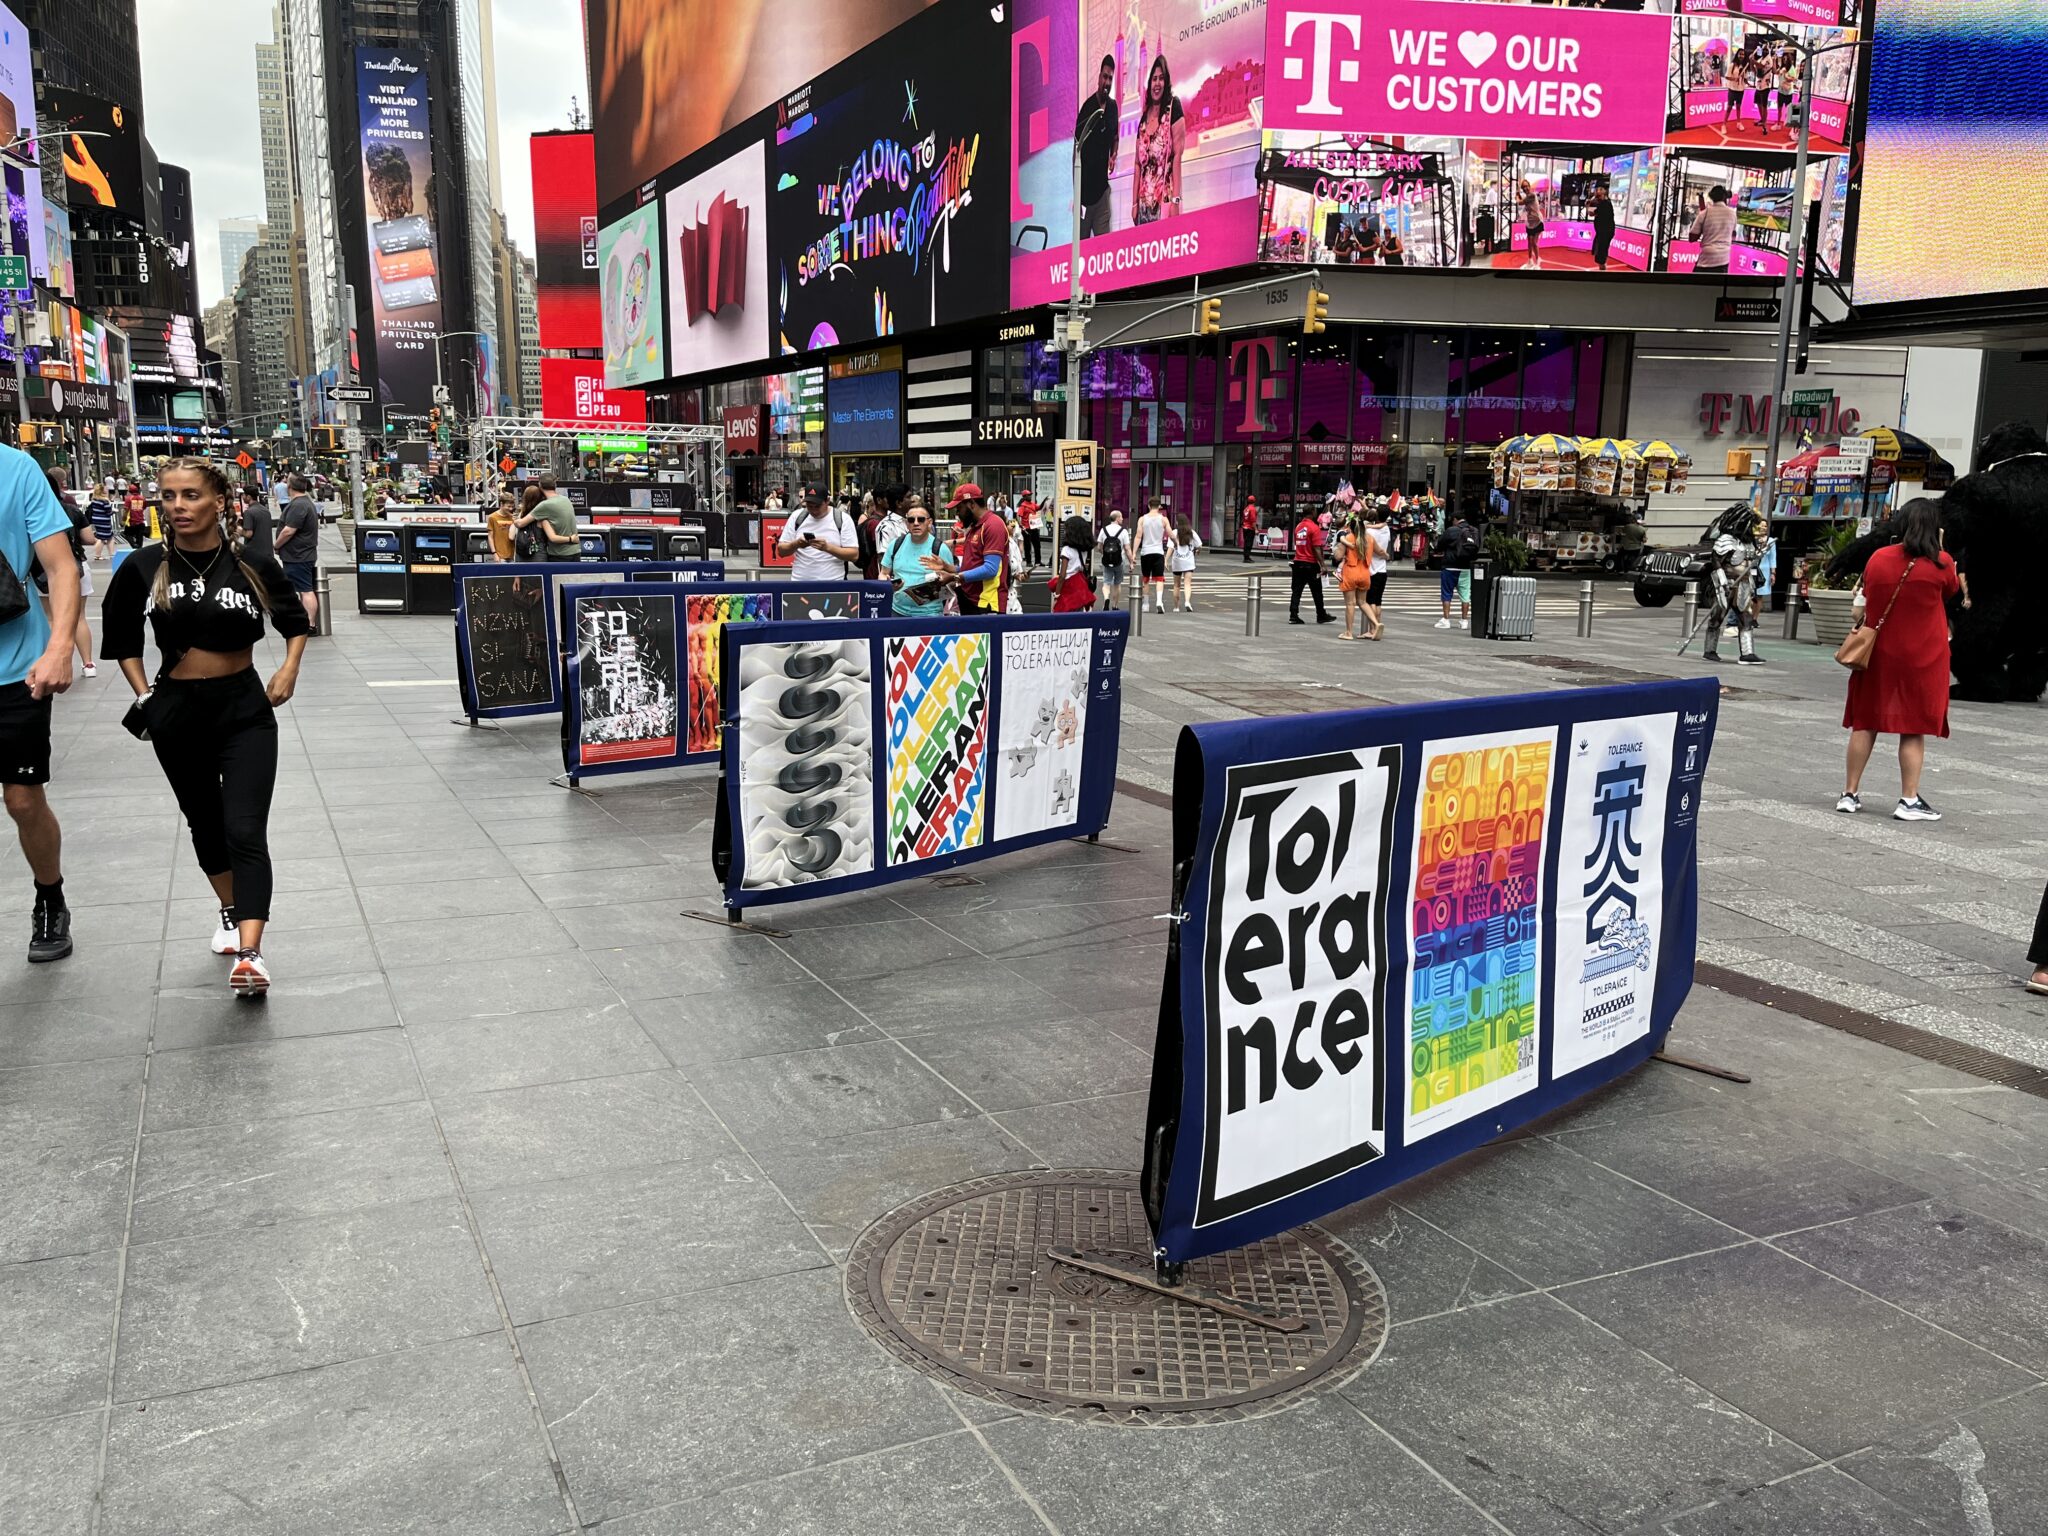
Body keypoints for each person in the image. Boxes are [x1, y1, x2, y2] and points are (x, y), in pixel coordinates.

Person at [102, 458, 308, 995]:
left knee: (244, 827)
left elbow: (293, 620)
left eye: (190, 495)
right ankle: (229, 909)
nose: (177, 506)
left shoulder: (254, 564)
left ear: (218, 501)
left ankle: (251, 951)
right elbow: (121, 639)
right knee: (204, 823)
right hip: (177, 711)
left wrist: (288, 667)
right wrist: (145, 695)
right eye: (168, 496)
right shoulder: (144, 566)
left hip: (244, 710)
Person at [4, 448, 80, 961]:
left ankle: (49, 897)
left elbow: (60, 566)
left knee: (23, 800)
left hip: (15, 668)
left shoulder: (16, 468)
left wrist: (58, 647)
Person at [1838, 499, 1958, 822]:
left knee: (1865, 722)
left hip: (1878, 655)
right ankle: (1908, 799)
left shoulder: (1878, 558)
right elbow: (1951, 590)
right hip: (1923, 658)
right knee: (1913, 726)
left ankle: (1849, 794)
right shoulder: (1942, 563)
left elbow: (1862, 599)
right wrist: (1941, 548)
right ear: (1935, 528)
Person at [1699, 504, 1767, 666]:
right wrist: (1722, 582)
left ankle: (1747, 653)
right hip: (1726, 584)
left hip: (1743, 585)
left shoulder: (1749, 542)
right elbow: (1716, 563)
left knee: (1746, 619)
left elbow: (1749, 563)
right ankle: (1709, 650)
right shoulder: (1725, 540)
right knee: (1717, 618)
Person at [930, 483, 1010, 615]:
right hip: (971, 599)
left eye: (959, 508)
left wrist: (954, 577)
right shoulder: (974, 527)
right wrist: (946, 566)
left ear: (972, 504)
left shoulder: (993, 525)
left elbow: (990, 569)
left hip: (986, 604)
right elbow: (972, 565)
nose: (957, 514)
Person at [1131, 54, 1185, 227]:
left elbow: (1177, 158)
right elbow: (1137, 165)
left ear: (1166, 82)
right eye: (1154, 79)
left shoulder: (1173, 108)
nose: (1157, 83)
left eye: (1161, 79)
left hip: (1164, 203)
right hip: (1143, 208)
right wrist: (1134, 204)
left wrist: (1176, 201)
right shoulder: (1143, 119)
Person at [777, 487, 860, 580]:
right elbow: (781, 551)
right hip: (800, 583)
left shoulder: (842, 519)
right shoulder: (797, 516)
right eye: (809, 506)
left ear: (827, 501)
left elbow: (854, 555)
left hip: (833, 584)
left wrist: (827, 547)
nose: (813, 510)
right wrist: (796, 544)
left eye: (817, 506)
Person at [1078, 54, 1118, 238]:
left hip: (1102, 195)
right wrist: (1077, 195)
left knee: (1104, 248)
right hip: (1084, 199)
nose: (1107, 82)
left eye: (1110, 78)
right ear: (1099, 76)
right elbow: (1076, 153)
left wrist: (1113, 155)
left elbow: (1115, 136)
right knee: (1082, 255)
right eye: (1105, 76)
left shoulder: (1113, 107)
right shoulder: (1087, 109)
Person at [274, 474, 322, 628]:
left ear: (290, 487)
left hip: (298, 555)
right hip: (299, 554)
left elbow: (288, 531)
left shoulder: (299, 505)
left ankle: (309, 624)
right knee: (302, 589)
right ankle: (306, 621)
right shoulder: (303, 503)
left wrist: (277, 545)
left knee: (305, 590)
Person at [882, 500, 946, 616]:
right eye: (911, 520)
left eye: (921, 519)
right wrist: (887, 584)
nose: (916, 523)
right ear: (907, 524)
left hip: (930, 615)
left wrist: (936, 586)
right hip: (898, 612)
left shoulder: (940, 548)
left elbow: (951, 582)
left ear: (929, 522)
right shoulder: (896, 544)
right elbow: (883, 573)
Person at [519, 472, 582, 562]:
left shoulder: (545, 505)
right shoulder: (566, 500)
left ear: (540, 485)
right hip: (575, 551)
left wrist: (515, 517)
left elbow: (520, 523)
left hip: (560, 555)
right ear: (555, 485)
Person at [1289, 504, 1335, 625]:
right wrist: (1323, 565)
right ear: (1312, 512)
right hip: (1310, 564)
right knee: (1317, 591)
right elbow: (1316, 549)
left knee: (1296, 591)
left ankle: (1293, 615)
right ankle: (1321, 614)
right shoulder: (1314, 528)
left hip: (1298, 562)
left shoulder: (1298, 527)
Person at [1436, 511, 1478, 629]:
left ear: (1455, 519)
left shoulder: (1451, 530)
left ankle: (1446, 619)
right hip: (1466, 567)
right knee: (1465, 595)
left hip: (1450, 565)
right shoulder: (1473, 531)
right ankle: (1464, 621)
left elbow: (1440, 545)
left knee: (1447, 593)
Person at [1336, 507, 1371, 639]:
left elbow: (1338, 555)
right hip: (1365, 573)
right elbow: (1381, 552)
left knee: (1350, 604)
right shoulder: (1367, 539)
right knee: (1363, 602)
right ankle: (1375, 624)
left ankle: (1349, 632)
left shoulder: (1346, 537)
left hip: (1350, 572)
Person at [1132, 497, 1173, 613]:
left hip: (1146, 552)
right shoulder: (1164, 519)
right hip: (1158, 552)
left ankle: (1145, 604)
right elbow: (1170, 533)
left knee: (1145, 579)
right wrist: (1176, 542)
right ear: (1159, 506)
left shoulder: (1142, 519)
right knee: (1159, 578)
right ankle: (1159, 601)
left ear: (1149, 505)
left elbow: (1138, 536)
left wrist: (1134, 552)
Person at [1688, 186, 1736, 275]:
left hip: (1707, 258)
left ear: (1711, 197)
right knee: (1718, 287)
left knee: (1696, 286)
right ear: (1725, 197)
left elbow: (1692, 237)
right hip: (1724, 258)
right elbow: (1733, 234)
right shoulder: (1733, 214)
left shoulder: (1705, 213)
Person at [1053, 514, 1096, 613]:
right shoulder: (1084, 550)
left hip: (1068, 587)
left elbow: (1062, 575)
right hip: (1080, 585)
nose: (1065, 531)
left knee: (1061, 616)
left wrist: (1057, 595)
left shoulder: (1066, 550)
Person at [1363, 502, 1391, 640]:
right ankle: (1377, 625)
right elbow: (1382, 525)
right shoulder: (1386, 529)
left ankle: (1372, 628)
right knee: (1378, 601)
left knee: (1370, 601)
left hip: (1371, 570)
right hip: (1382, 570)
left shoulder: (1369, 532)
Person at [1168, 514, 1201, 611]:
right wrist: (1198, 550)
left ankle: (1176, 607)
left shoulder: (1174, 532)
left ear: (1177, 522)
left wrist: (1166, 560)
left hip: (1177, 562)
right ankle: (1187, 602)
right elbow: (1199, 544)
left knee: (1176, 585)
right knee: (1187, 583)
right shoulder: (1191, 532)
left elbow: (1170, 548)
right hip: (1188, 562)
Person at [1098, 508, 1127, 610]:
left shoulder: (1103, 530)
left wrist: (1105, 554)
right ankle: (1115, 605)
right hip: (1119, 561)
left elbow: (1099, 547)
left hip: (1106, 560)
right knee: (1117, 583)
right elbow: (1127, 548)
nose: (1122, 519)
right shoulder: (1123, 531)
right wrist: (1131, 561)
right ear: (1117, 518)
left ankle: (1106, 598)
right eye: (1121, 517)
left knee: (1106, 582)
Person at [238, 484, 275, 564]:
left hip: (254, 555)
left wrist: (239, 530)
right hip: (268, 554)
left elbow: (248, 534)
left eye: (244, 495)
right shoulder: (266, 511)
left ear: (249, 497)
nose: (242, 497)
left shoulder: (249, 512)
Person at [487, 487, 518, 561]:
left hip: (513, 555)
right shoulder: (492, 517)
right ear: (501, 504)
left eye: (512, 507)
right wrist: (494, 553)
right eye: (508, 506)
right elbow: (490, 537)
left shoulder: (513, 517)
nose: (510, 509)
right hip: (500, 556)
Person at [1519, 179, 1545, 270]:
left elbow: (1520, 202)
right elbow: (1522, 202)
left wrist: (1516, 195)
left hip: (1537, 221)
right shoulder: (1526, 197)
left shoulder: (1532, 195)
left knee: (1534, 242)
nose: (1525, 188)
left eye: (1527, 186)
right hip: (1530, 222)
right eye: (1523, 187)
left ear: (1529, 186)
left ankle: (1537, 262)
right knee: (1529, 242)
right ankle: (1530, 261)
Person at [87, 481, 116, 559]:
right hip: (104, 521)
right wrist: (114, 511)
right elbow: (108, 512)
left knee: (108, 536)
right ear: (102, 491)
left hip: (96, 519)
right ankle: (98, 555)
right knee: (103, 538)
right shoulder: (105, 501)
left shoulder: (94, 500)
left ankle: (111, 554)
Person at [1591, 184, 1616, 271]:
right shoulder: (1601, 202)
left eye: (1601, 189)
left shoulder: (1606, 203)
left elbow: (1593, 213)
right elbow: (1591, 213)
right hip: (1601, 232)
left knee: (1601, 254)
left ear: (1605, 191)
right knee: (1599, 253)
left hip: (1605, 232)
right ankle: (1602, 268)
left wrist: (1592, 204)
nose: (1598, 191)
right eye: (1597, 189)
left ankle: (1603, 271)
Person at [120, 480, 149, 549]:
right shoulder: (143, 498)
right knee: (140, 537)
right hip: (140, 521)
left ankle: (134, 545)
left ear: (129, 491)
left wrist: (123, 520)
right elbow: (144, 507)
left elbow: (126, 511)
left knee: (126, 534)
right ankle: (138, 548)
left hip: (131, 522)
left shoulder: (128, 498)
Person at [1019, 493, 1044, 570]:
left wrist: (1044, 501)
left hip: (1034, 527)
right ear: (1024, 496)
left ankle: (1038, 561)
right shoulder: (1023, 506)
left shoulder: (1033, 504)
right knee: (1028, 546)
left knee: (1037, 545)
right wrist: (1021, 525)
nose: (1030, 496)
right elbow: (1018, 515)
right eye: (1028, 495)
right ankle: (1029, 561)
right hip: (1027, 528)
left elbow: (1039, 507)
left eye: (1030, 495)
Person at [1240, 496, 1259, 561]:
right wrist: (1256, 529)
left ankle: (1246, 556)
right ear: (1254, 501)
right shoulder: (1252, 509)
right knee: (1249, 543)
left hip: (1245, 527)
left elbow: (1244, 518)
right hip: (1250, 528)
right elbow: (1253, 520)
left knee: (1246, 542)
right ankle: (1246, 557)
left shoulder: (1246, 509)